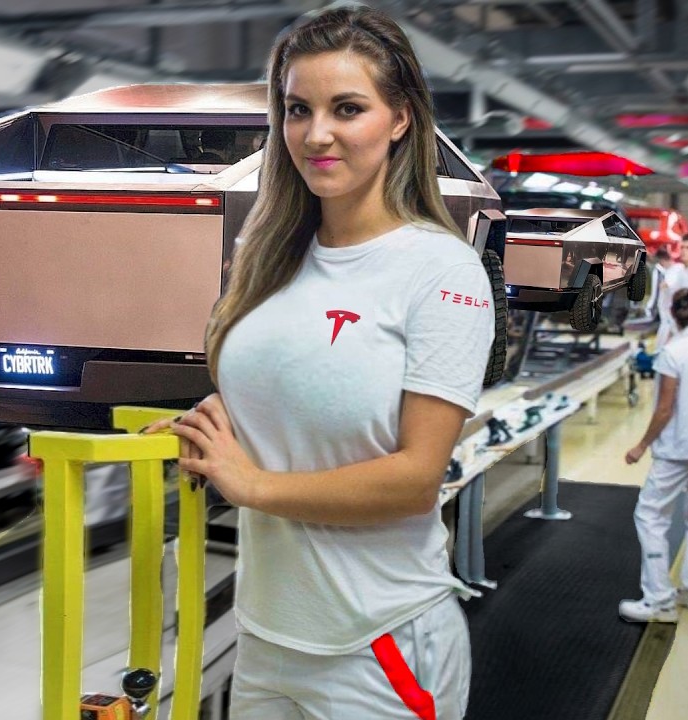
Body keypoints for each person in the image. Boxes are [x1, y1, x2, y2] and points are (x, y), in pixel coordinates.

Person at [144, 5, 493, 718]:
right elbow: (289, 392)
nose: (316, 133)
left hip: (376, 646)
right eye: (298, 109)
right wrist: (224, 427)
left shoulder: (441, 270)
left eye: (348, 108)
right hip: (269, 637)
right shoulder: (272, 258)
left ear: (400, 119)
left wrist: (252, 484)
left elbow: (414, 480)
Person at [619, 288, 688, 623]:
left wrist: (640, 446)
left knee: (650, 516)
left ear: (672, 312)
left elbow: (665, 408)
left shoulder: (673, 352)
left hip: (678, 449)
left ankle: (659, 600)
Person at [643, 247, 675, 337]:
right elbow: (656, 292)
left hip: (659, 307)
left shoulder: (662, 271)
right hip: (658, 307)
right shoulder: (658, 271)